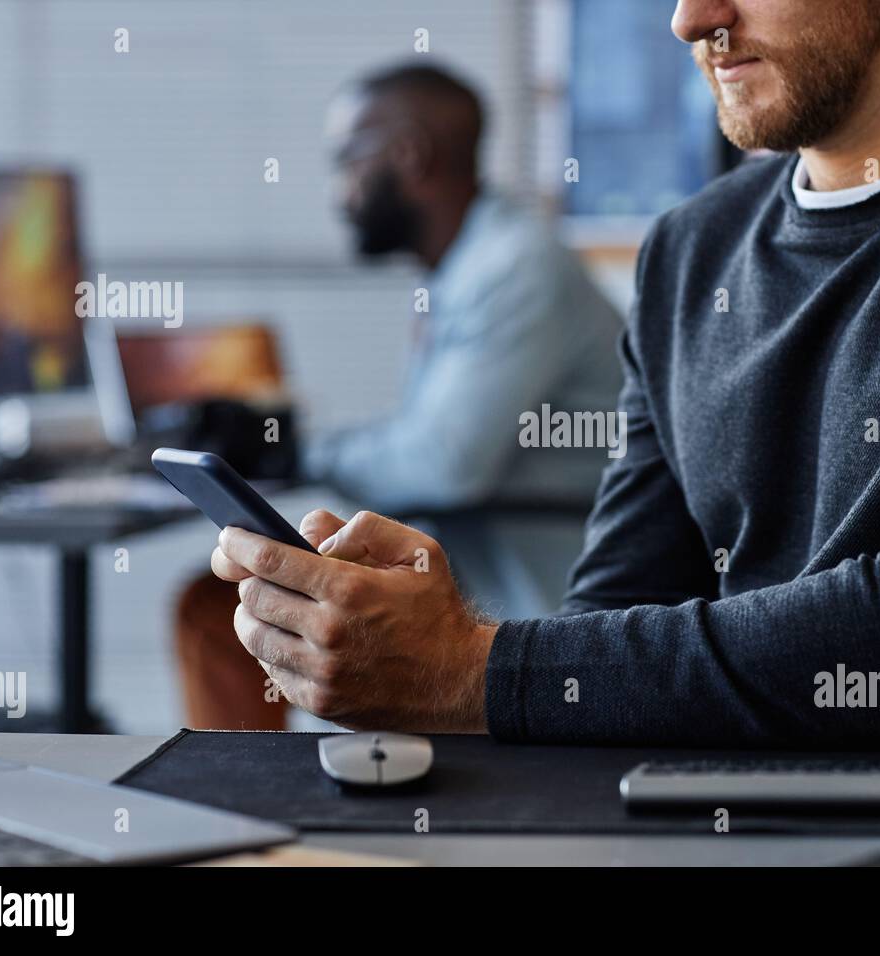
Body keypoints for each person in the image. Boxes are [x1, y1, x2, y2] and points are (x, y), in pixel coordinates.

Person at [207, 0, 880, 744]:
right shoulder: (692, 250)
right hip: (694, 817)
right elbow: (613, 606)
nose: (693, 19)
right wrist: (416, 640)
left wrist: (468, 667)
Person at [176, 64, 623, 730]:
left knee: (226, 608)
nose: (336, 192)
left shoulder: (513, 267)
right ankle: (251, 801)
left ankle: (250, 803)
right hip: (479, 549)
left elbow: (447, 461)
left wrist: (298, 450)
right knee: (221, 602)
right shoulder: (467, 268)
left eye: (345, 161)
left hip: (533, 582)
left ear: (409, 155)